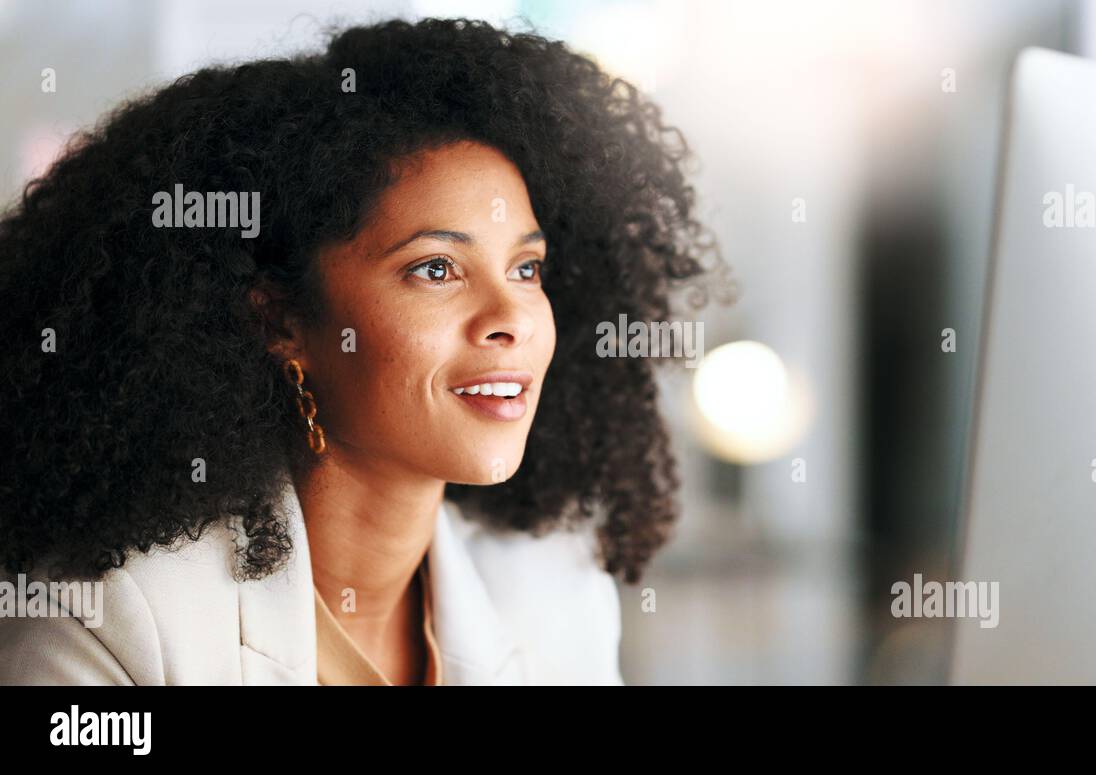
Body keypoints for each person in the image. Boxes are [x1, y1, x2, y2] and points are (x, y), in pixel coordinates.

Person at [0, 17, 730, 685]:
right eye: (436, 269)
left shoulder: (557, 592)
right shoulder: (112, 626)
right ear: (281, 320)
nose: (512, 317)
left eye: (527, 269)